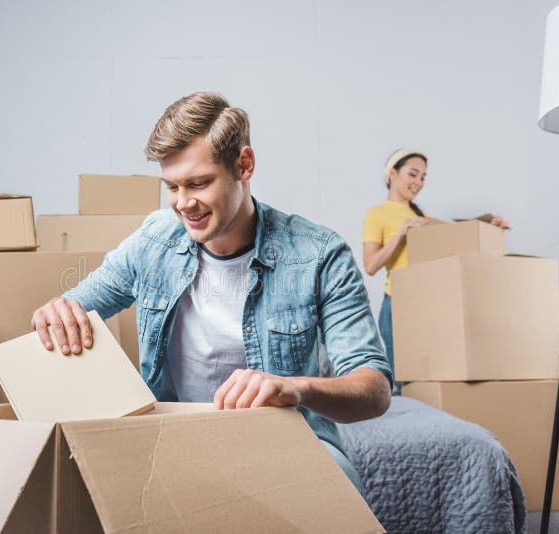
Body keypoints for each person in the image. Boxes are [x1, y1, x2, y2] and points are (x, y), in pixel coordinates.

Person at [31, 92, 392, 492]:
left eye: (199, 183)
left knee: (340, 491)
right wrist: (55, 312)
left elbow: (374, 390)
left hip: (290, 439)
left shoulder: (318, 254)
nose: (184, 204)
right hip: (171, 440)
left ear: (244, 165)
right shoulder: (153, 240)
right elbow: (73, 307)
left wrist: (294, 388)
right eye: (171, 187)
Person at [362, 149, 509, 395]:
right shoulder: (377, 214)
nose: (418, 183)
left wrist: (489, 226)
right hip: (397, 305)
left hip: (428, 306)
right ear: (393, 174)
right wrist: (401, 233)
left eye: (423, 177)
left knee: (427, 381)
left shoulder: (424, 218)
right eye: (413, 174)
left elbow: (454, 239)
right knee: (401, 384)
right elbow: (371, 265)